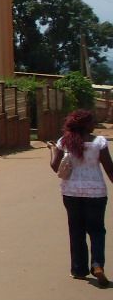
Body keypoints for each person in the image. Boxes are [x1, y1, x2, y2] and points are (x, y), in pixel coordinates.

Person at [47, 109, 113, 286]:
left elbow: (55, 167)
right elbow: (110, 169)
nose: (94, 125)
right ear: (86, 124)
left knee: (76, 230)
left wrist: (53, 150)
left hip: (71, 193)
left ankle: (79, 269)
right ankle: (97, 264)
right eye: (92, 122)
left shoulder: (64, 142)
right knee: (97, 230)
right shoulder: (99, 142)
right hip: (96, 193)